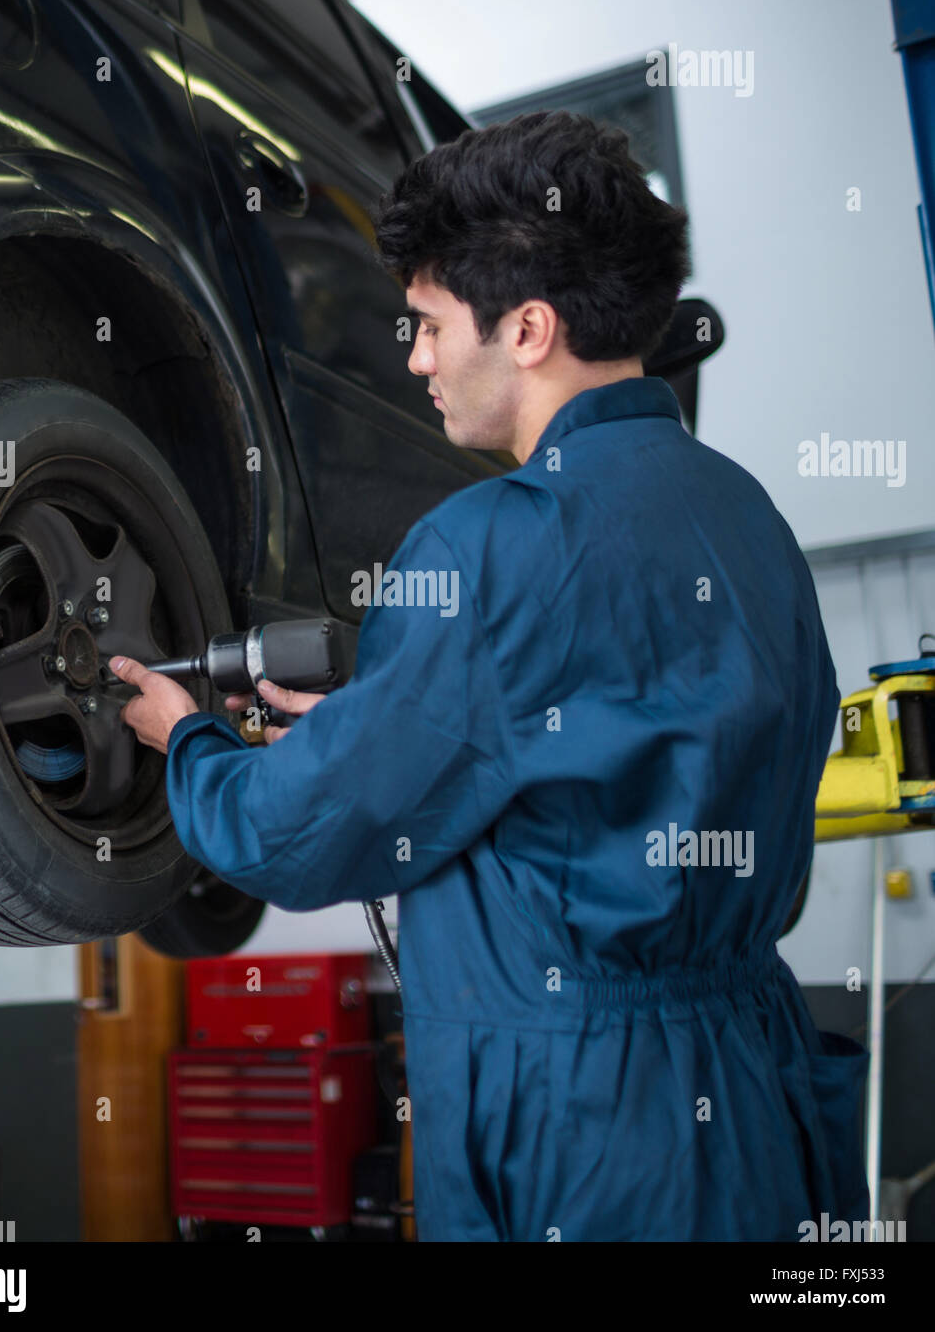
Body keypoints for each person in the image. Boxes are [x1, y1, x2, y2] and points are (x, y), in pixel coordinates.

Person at [112, 110, 869, 1242]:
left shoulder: (487, 543)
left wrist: (189, 741)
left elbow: (293, 836)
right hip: (756, 1088)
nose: (412, 358)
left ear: (525, 328)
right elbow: (563, 752)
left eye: (424, 324)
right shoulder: (746, 518)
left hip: (586, 1127)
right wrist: (378, 723)